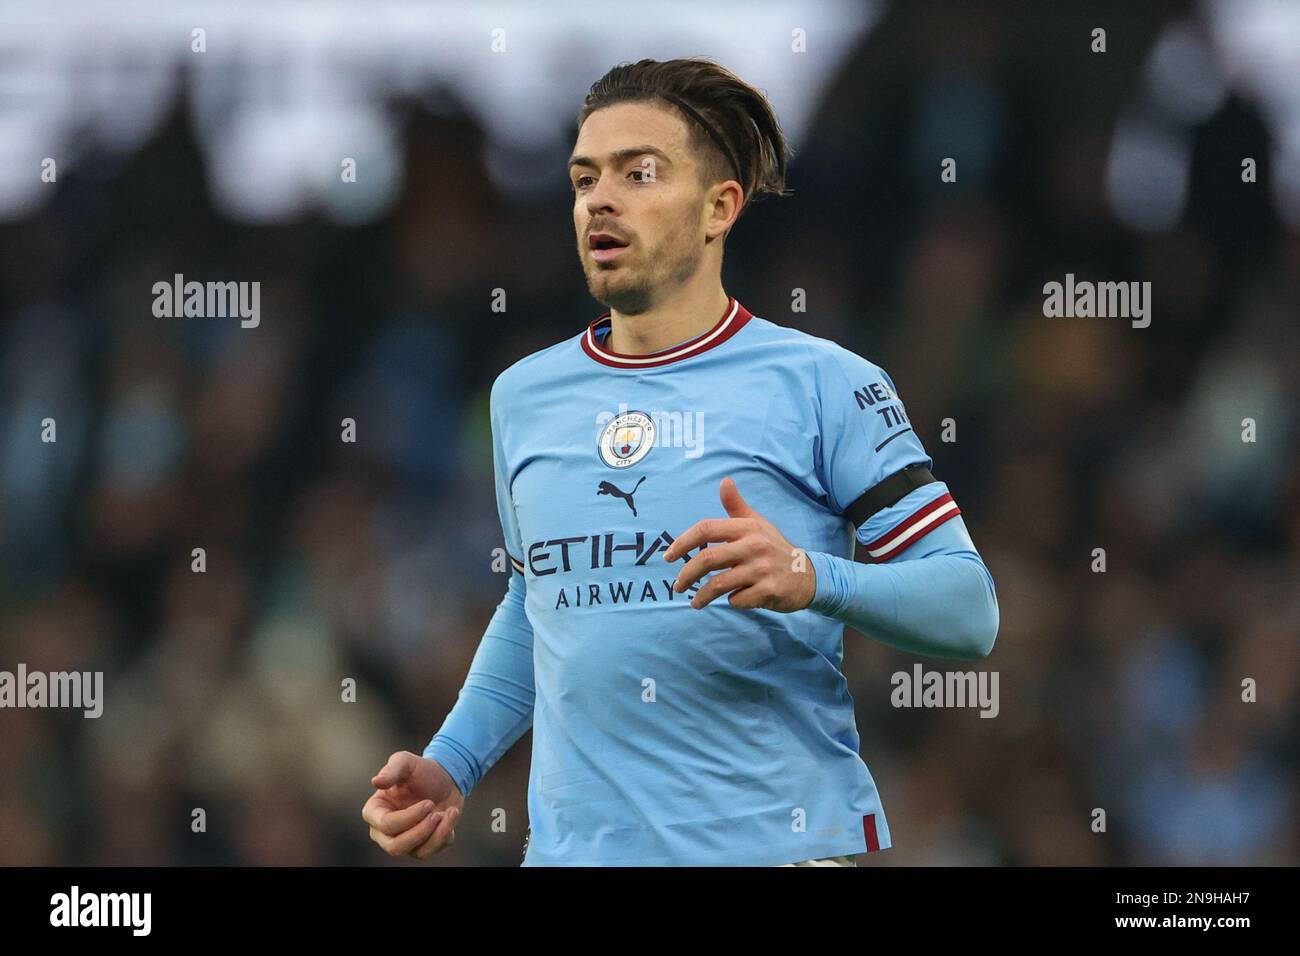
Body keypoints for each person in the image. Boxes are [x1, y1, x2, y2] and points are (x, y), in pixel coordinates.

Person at [362, 57, 999, 867]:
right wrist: (453, 761)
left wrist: (811, 577)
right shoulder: (524, 396)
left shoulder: (823, 384)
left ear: (719, 207)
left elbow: (969, 610)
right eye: (585, 177)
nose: (601, 198)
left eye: (641, 173)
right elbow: (538, 601)